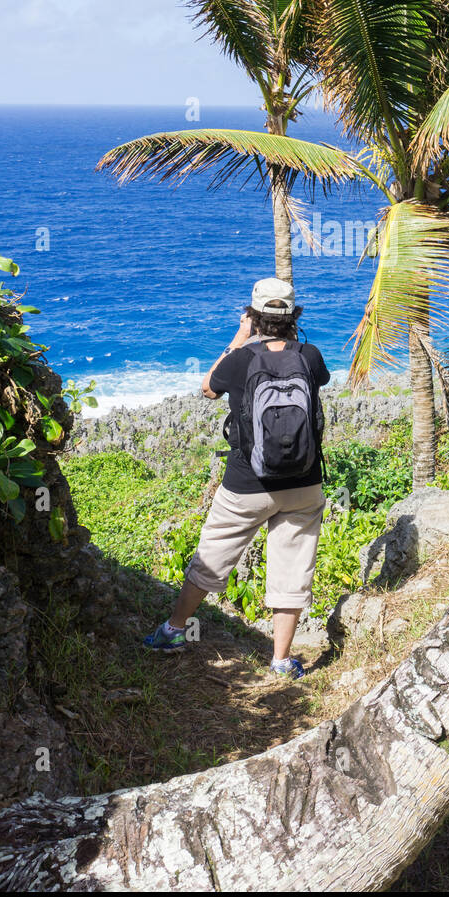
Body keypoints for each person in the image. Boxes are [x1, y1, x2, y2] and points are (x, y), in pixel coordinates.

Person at [144, 277, 330, 679]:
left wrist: (241, 335)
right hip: (303, 483)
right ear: (293, 315)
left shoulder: (241, 359)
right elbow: (321, 380)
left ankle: (173, 631)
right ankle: (281, 660)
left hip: (247, 484)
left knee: (213, 555)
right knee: (293, 565)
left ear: (255, 316)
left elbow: (207, 388)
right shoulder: (310, 356)